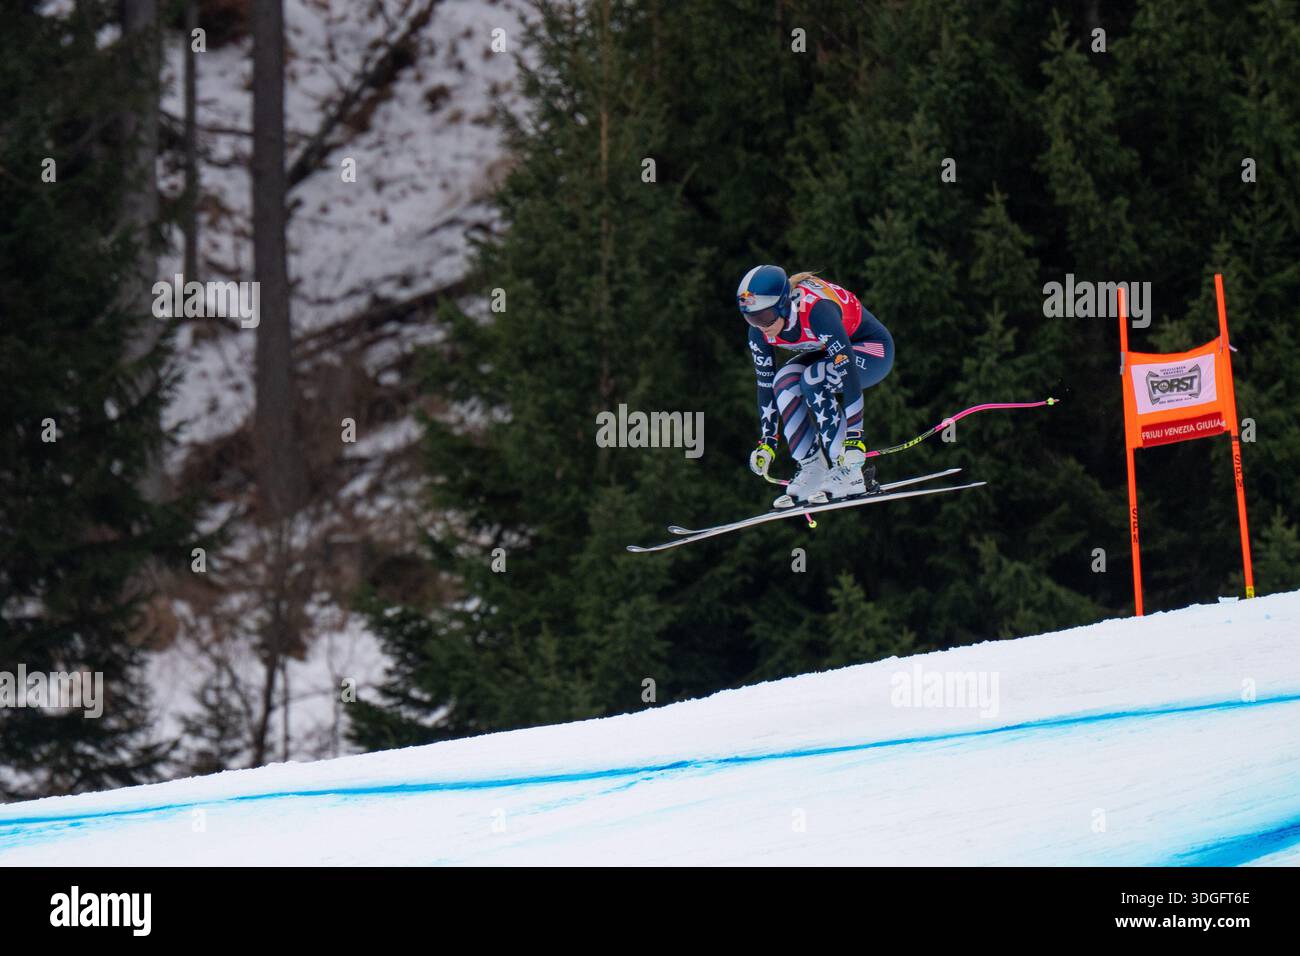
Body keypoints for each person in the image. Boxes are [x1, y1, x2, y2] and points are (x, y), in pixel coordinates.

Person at [736, 264, 895, 507]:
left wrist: (854, 439)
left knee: (813, 377)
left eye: (765, 316)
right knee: (784, 381)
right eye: (751, 318)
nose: (761, 326)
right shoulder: (759, 332)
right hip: (831, 357)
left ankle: (848, 470)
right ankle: (812, 467)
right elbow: (765, 384)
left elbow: (848, 373)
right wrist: (767, 442)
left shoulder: (816, 311)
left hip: (872, 351)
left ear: (782, 304)